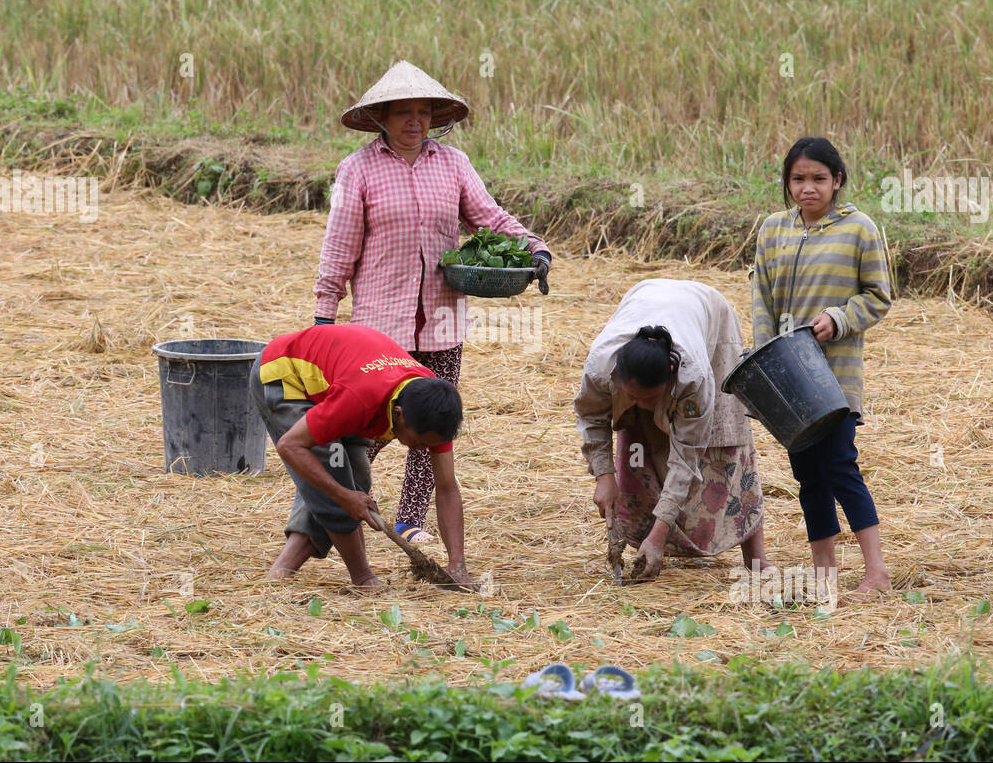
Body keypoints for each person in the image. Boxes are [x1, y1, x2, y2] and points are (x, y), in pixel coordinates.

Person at [314, 60, 553, 546]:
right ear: (382, 116)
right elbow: (339, 247)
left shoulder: (453, 164)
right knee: (368, 430)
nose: (415, 122)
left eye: (423, 113)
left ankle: (410, 521)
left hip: (442, 319)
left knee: (430, 426)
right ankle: (329, 509)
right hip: (381, 326)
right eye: (404, 113)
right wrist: (325, 313)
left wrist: (535, 247)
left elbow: (488, 218)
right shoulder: (357, 170)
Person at [751, 136, 892, 593]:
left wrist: (838, 317)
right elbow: (762, 303)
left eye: (818, 179)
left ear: (837, 182)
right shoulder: (773, 230)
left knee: (839, 467)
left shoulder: (859, 229)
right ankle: (824, 574)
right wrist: (764, 365)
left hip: (833, 376)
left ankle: (876, 572)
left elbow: (878, 296)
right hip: (786, 379)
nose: (807, 188)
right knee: (807, 476)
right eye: (798, 179)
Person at [249, 322, 473, 590]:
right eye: (418, 442)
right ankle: (363, 578)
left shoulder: (434, 409)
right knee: (339, 486)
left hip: (338, 384)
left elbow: (447, 488)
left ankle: (279, 575)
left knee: (356, 481)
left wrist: (456, 565)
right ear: (398, 415)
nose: (423, 450)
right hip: (284, 375)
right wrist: (343, 495)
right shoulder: (360, 398)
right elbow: (291, 446)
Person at [574, 279, 770, 584]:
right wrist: (604, 476)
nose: (640, 404)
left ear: (670, 378)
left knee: (724, 440)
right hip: (646, 294)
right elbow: (591, 417)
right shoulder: (601, 366)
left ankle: (756, 559)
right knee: (637, 439)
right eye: (631, 396)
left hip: (711, 319)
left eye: (649, 398)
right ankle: (638, 545)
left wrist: (659, 534)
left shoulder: (694, 378)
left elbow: (686, 459)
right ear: (617, 379)